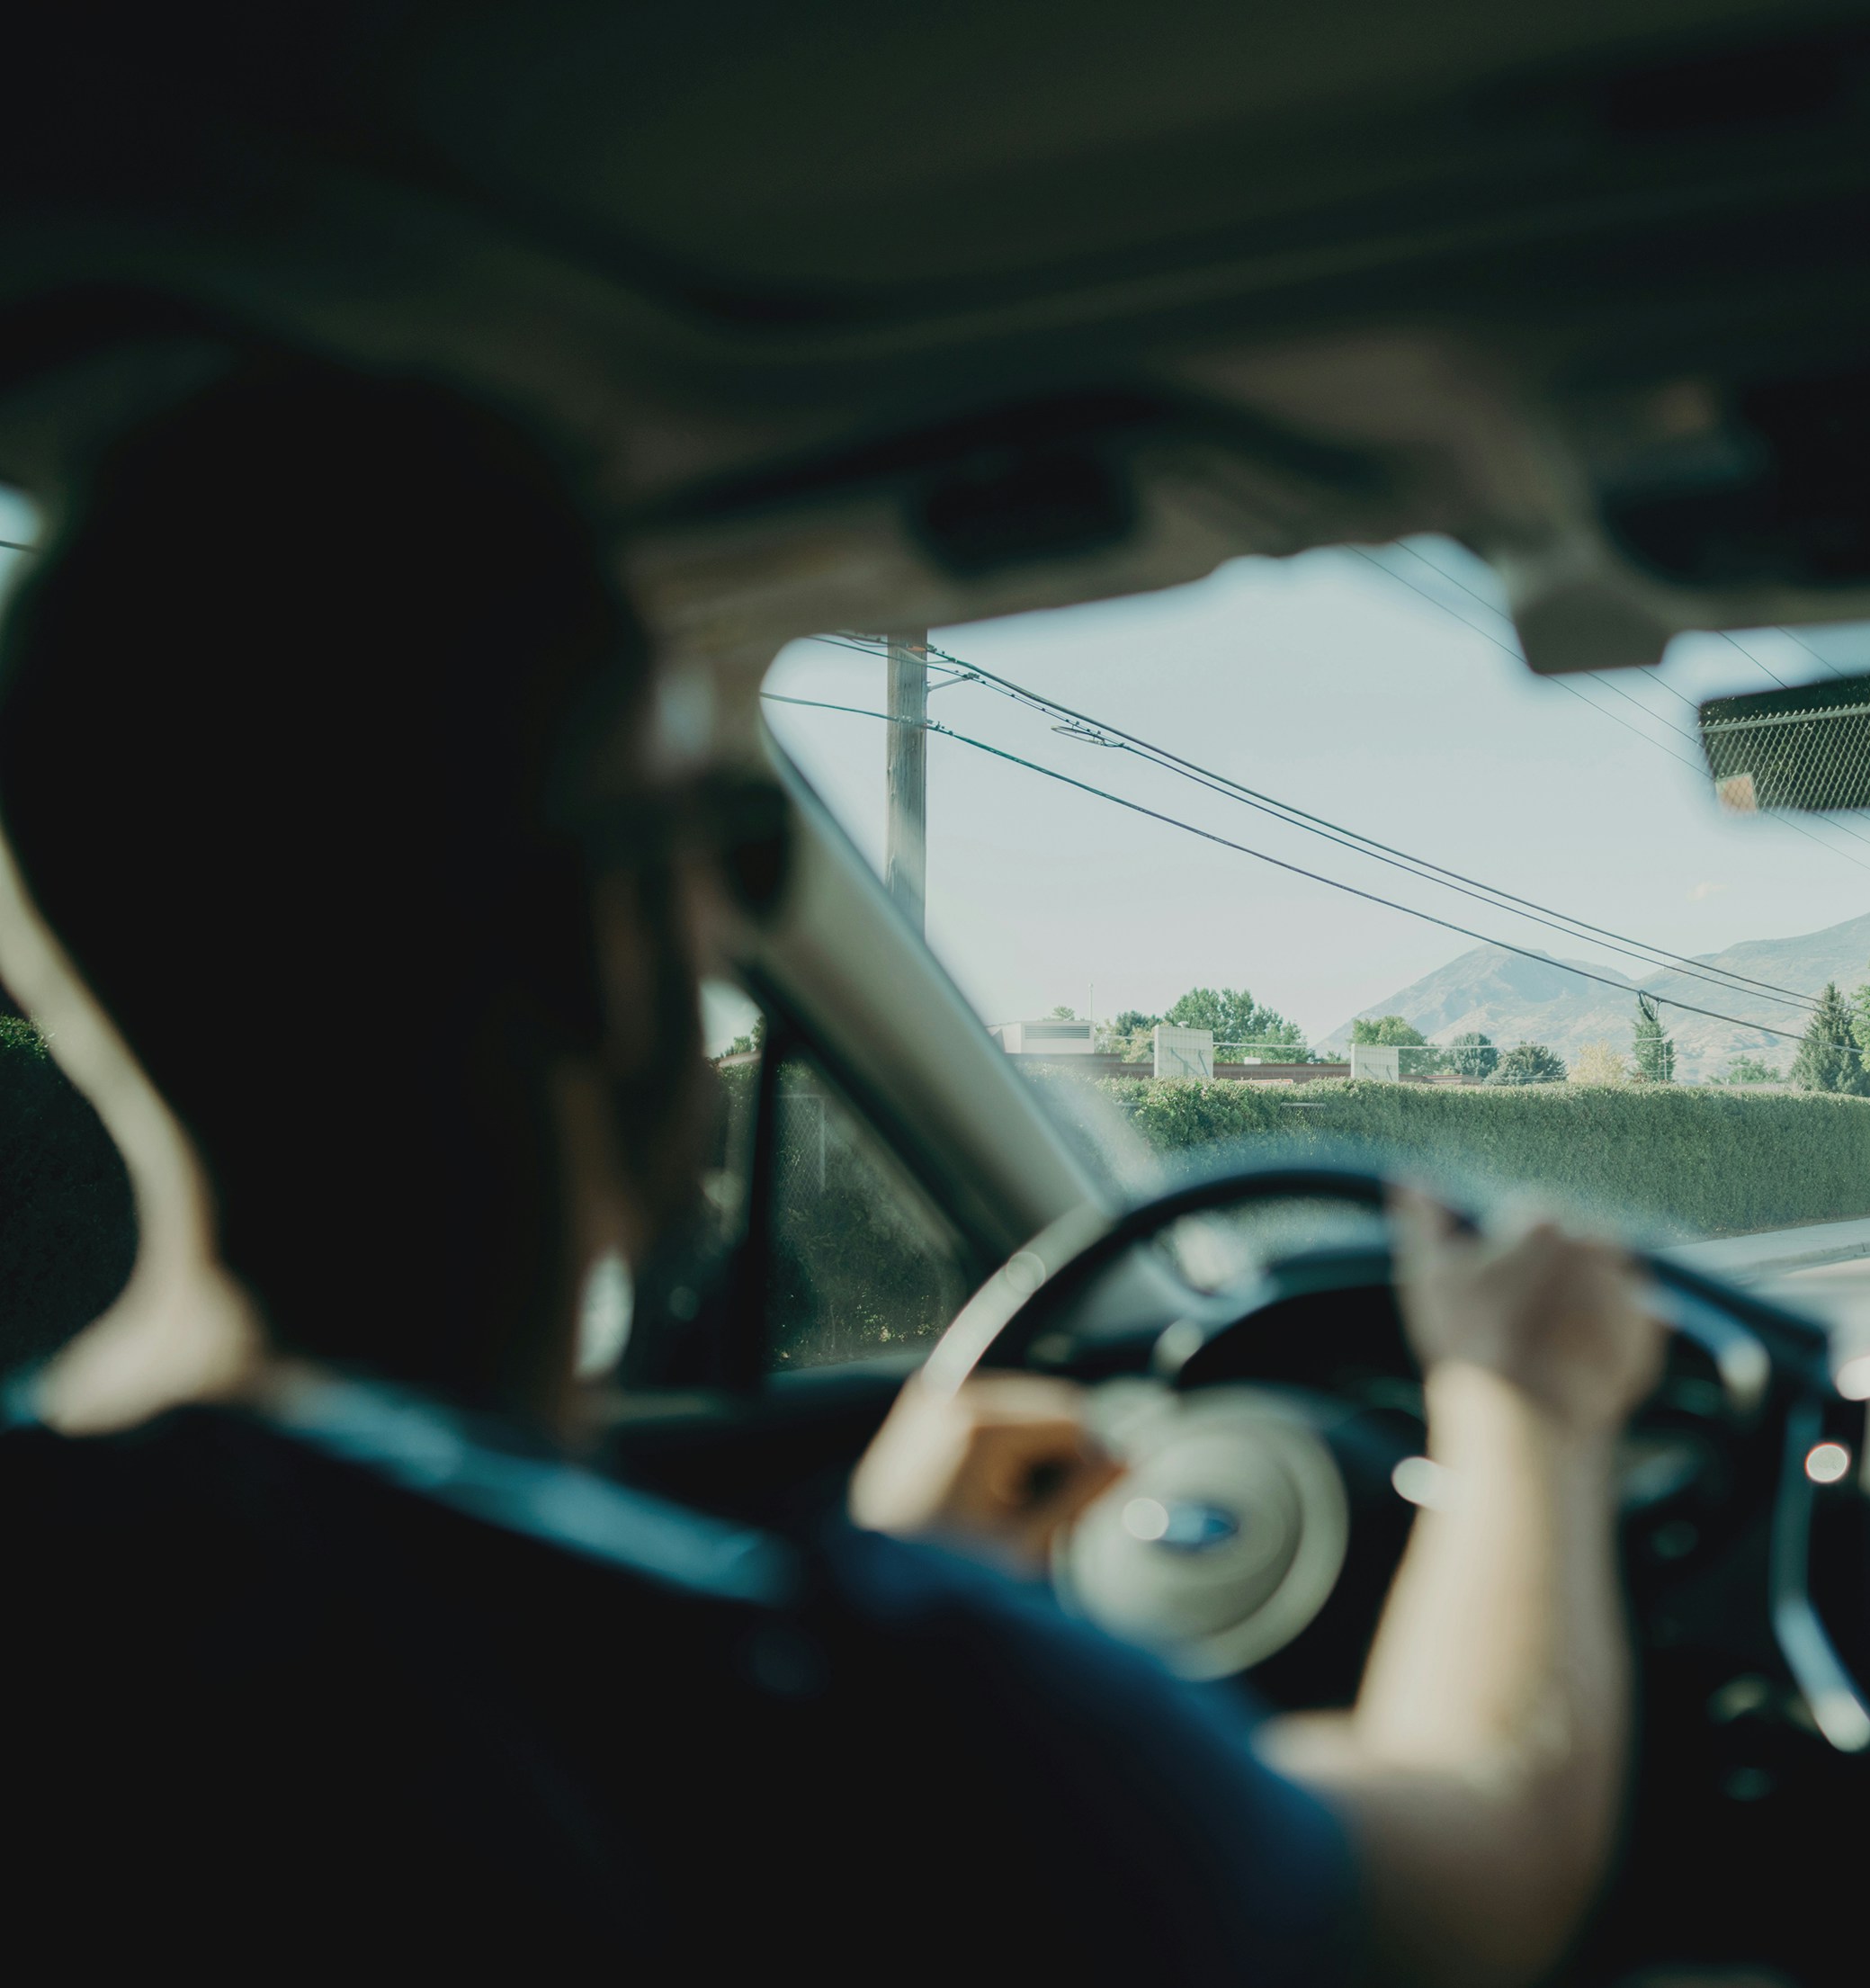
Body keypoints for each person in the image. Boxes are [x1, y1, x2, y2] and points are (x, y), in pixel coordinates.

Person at [0, 363, 1663, 1978]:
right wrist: (1529, 1405)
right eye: (719, 842)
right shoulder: (838, 1705)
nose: (727, 921)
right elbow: (1465, 1880)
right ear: (599, 942)